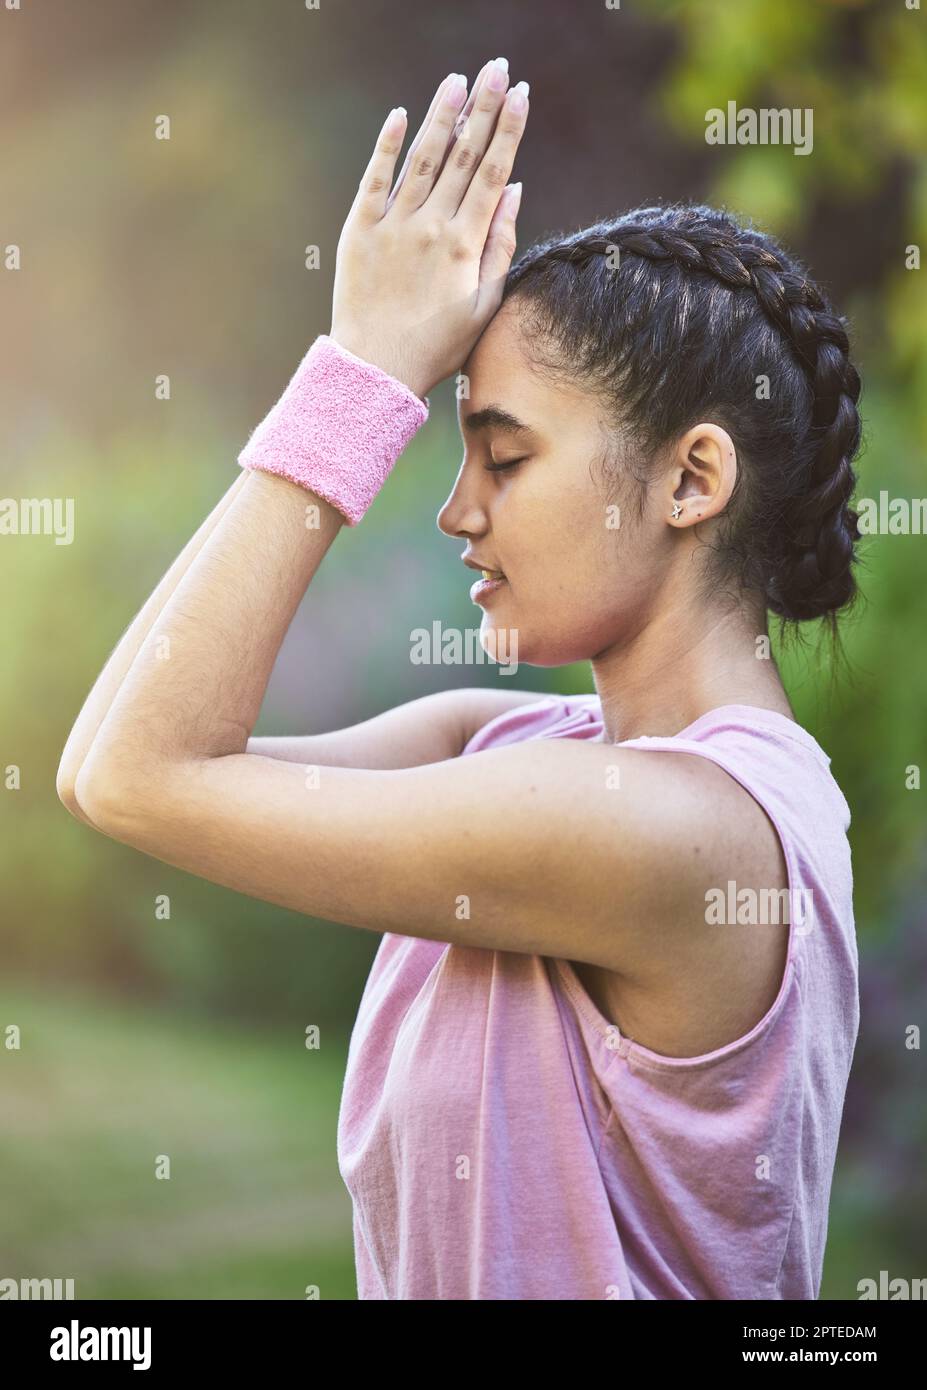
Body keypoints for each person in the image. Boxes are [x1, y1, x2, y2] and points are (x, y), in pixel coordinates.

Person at [57, 57, 862, 1300]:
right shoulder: (504, 746)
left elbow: (142, 775)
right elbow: (108, 757)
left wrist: (360, 379)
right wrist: (356, 370)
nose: (452, 509)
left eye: (506, 456)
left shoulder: (685, 835)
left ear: (691, 481)